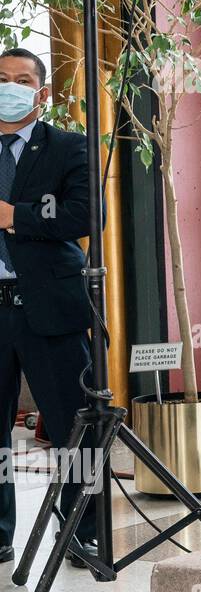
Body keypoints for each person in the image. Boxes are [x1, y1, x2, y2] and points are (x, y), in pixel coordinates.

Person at [0, 48, 97, 565]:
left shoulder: (67, 147)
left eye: (21, 80)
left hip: (50, 307)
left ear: (41, 93)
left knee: (72, 425)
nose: (9, 87)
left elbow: (82, 214)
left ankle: (83, 532)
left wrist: (13, 214)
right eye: (1, 78)